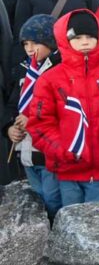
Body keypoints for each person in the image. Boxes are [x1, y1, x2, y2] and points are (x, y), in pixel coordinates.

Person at [29, 10, 99, 207]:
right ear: (65, 39)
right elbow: (40, 126)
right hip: (67, 170)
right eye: (77, 37)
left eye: (90, 36)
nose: (85, 42)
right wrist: (64, 150)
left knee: (97, 221)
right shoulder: (49, 79)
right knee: (70, 219)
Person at [4, 15, 62, 217]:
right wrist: (9, 128)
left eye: (36, 43)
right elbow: (13, 104)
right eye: (25, 44)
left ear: (51, 42)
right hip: (25, 148)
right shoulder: (23, 70)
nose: (29, 49)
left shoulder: (59, 69)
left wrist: (34, 119)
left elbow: (63, 109)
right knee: (36, 196)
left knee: (52, 197)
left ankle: (55, 229)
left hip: (49, 150)